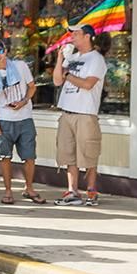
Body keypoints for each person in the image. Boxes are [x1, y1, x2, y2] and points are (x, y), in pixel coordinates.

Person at [0, 40, 44, 204]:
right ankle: (8, 191)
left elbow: (32, 87)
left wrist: (24, 101)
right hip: (4, 120)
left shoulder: (20, 66)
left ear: (6, 51)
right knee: (5, 157)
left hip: (25, 118)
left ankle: (29, 188)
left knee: (29, 156)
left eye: (0, 51)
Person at [52, 23, 107, 206]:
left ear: (87, 36)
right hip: (67, 111)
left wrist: (68, 75)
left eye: (76, 34)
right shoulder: (72, 57)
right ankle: (72, 190)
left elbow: (88, 84)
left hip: (85, 112)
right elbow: (57, 80)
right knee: (68, 153)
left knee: (88, 152)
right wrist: (60, 59)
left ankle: (91, 190)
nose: (72, 37)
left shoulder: (96, 59)